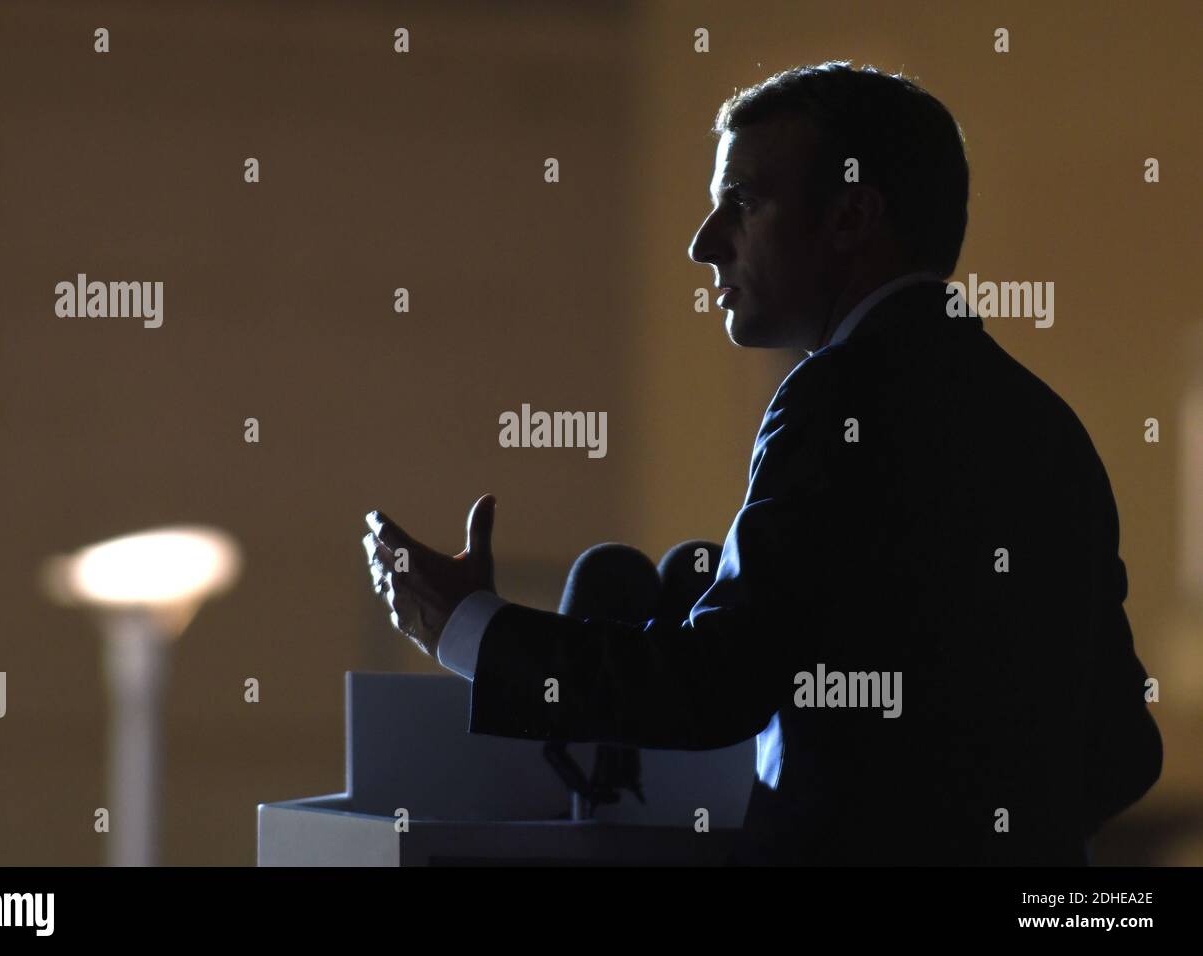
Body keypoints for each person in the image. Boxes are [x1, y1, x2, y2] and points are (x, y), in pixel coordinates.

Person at [361, 62, 1162, 865]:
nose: (704, 243)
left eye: (741, 203)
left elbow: (717, 684)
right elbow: (1125, 747)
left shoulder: (839, 397)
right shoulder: (1048, 424)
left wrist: (468, 629)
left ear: (852, 215)